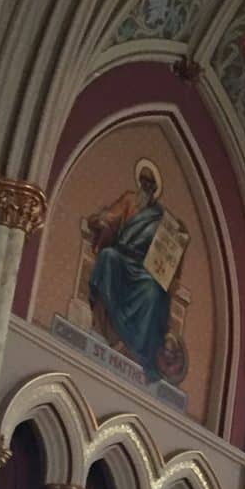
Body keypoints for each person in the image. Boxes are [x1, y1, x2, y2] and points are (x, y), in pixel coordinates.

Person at [85, 160, 179, 378]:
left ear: (155, 189)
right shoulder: (129, 200)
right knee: (108, 257)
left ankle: (136, 348)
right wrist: (100, 220)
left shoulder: (161, 217)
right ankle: (105, 329)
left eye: (150, 184)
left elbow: (167, 253)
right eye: (144, 182)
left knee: (153, 291)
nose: (146, 187)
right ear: (140, 183)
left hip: (145, 268)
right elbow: (111, 215)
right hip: (122, 255)